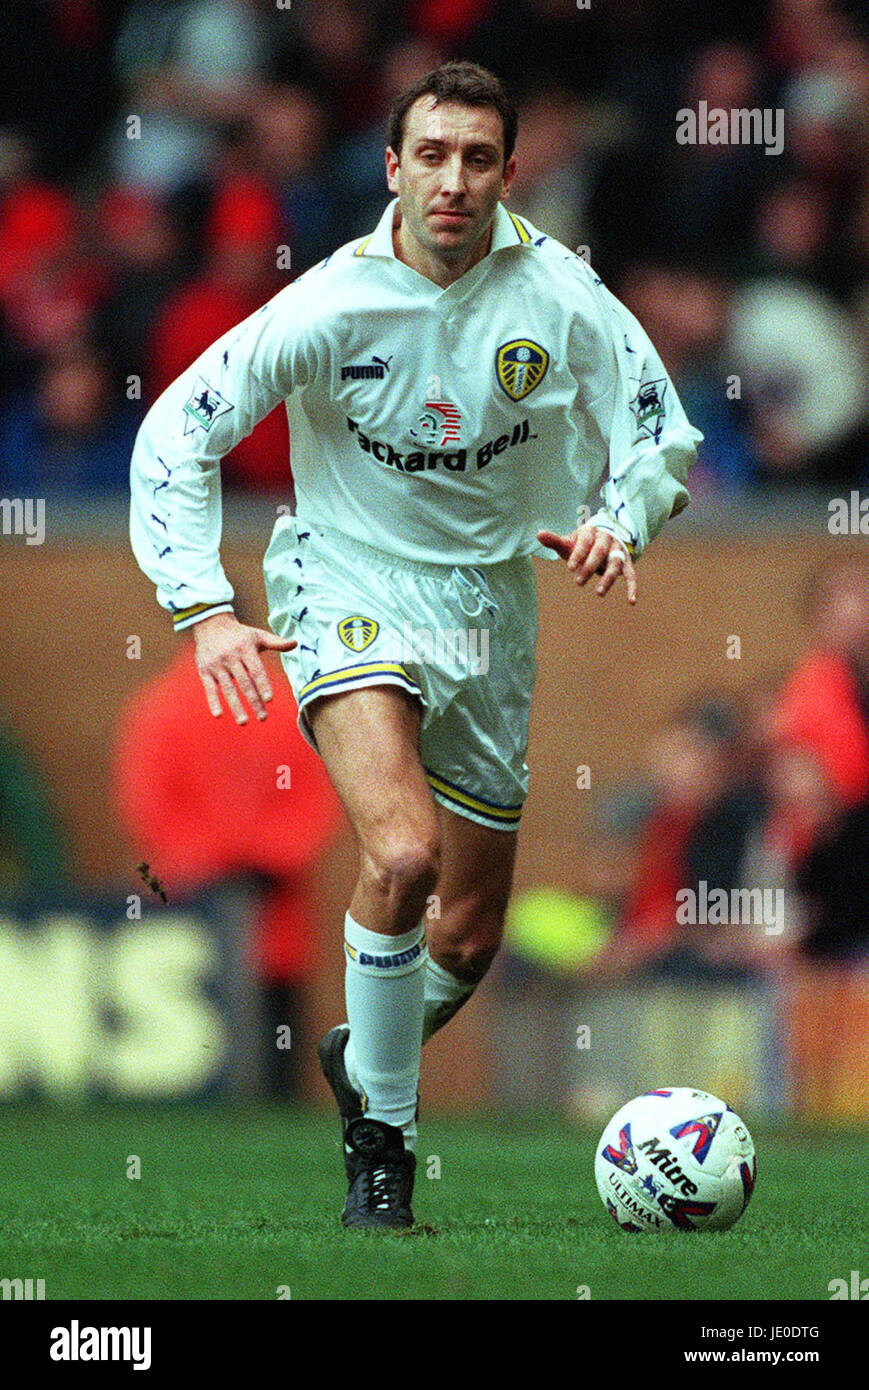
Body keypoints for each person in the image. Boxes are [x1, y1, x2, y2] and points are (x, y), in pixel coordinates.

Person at [129, 61, 701, 1229]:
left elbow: (656, 426)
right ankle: (382, 1154)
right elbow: (178, 431)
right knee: (401, 857)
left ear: (504, 173)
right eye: (429, 155)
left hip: (488, 610)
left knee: (469, 934)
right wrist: (202, 603)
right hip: (344, 581)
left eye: (477, 158)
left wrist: (616, 518)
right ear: (392, 168)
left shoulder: (559, 297)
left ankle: (364, 1048)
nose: (452, 180)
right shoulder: (329, 304)